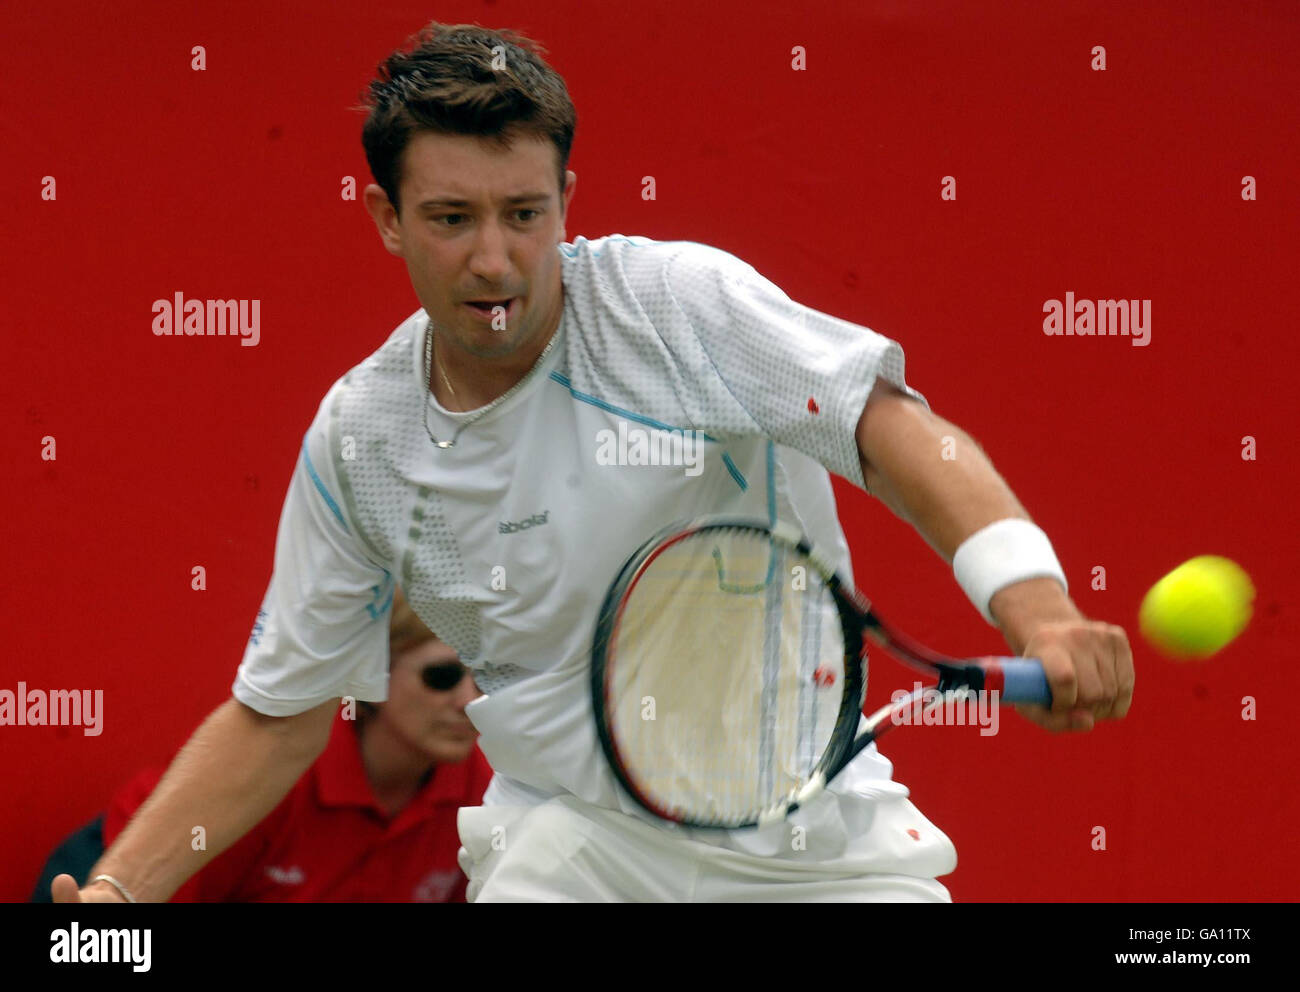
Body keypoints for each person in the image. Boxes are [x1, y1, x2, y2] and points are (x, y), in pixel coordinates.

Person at [57, 21, 1133, 905]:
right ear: (387, 219)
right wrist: (111, 905)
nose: (494, 257)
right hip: (573, 854)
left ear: (568, 195)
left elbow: (890, 430)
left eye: (525, 213)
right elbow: (282, 709)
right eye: (451, 218)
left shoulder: (679, 306)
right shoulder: (363, 439)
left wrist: (1035, 608)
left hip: (823, 848)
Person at [45, 587, 489, 902]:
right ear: (369, 675)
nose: (470, 701)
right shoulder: (274, 774)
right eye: (442, 676)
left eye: (484, 677)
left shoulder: (482, 790)